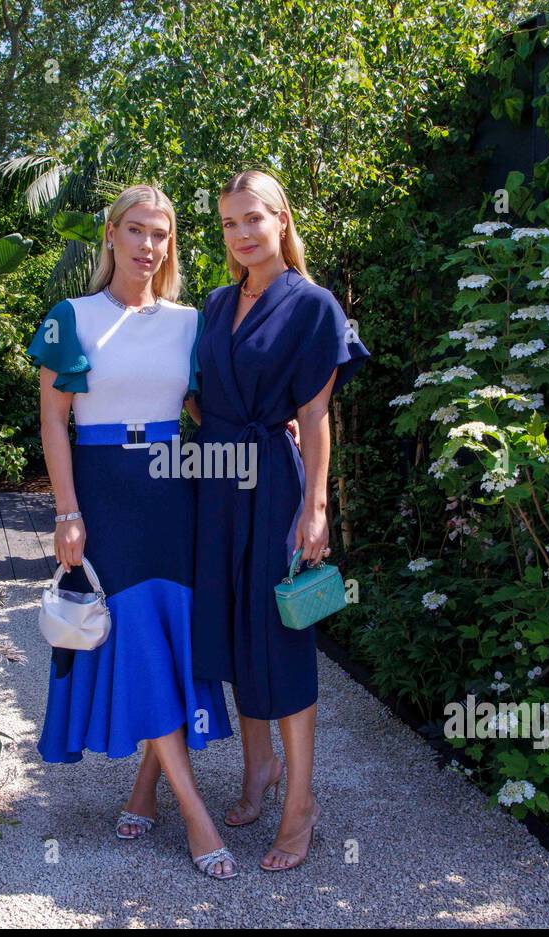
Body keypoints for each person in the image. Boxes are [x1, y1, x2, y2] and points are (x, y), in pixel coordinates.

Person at [27, 184, 238, 879]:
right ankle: (195, 813)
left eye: (162, 235)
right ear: (112, 234)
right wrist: (66, 512)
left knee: (168, 642)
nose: (150, 246)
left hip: (176, 492)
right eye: (138, 231)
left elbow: (214, 407)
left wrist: (279, 427)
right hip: (105, 497)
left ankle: (148, 785)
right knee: (141, 642)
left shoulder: (190, 322)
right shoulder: (73, 317)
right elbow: (55, 420)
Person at [191, 170, 370, 872]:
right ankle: (257, 765)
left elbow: (316, 416)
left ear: (281, 220)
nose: (241, 235)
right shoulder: (213, 303)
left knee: (281, 634)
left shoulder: (314, 306)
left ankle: (301, 801)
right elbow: (200, 394)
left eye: (252, 220)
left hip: (274, 487)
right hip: (216, 483)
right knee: (233, 622)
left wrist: (316, 506)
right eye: (230, 224)